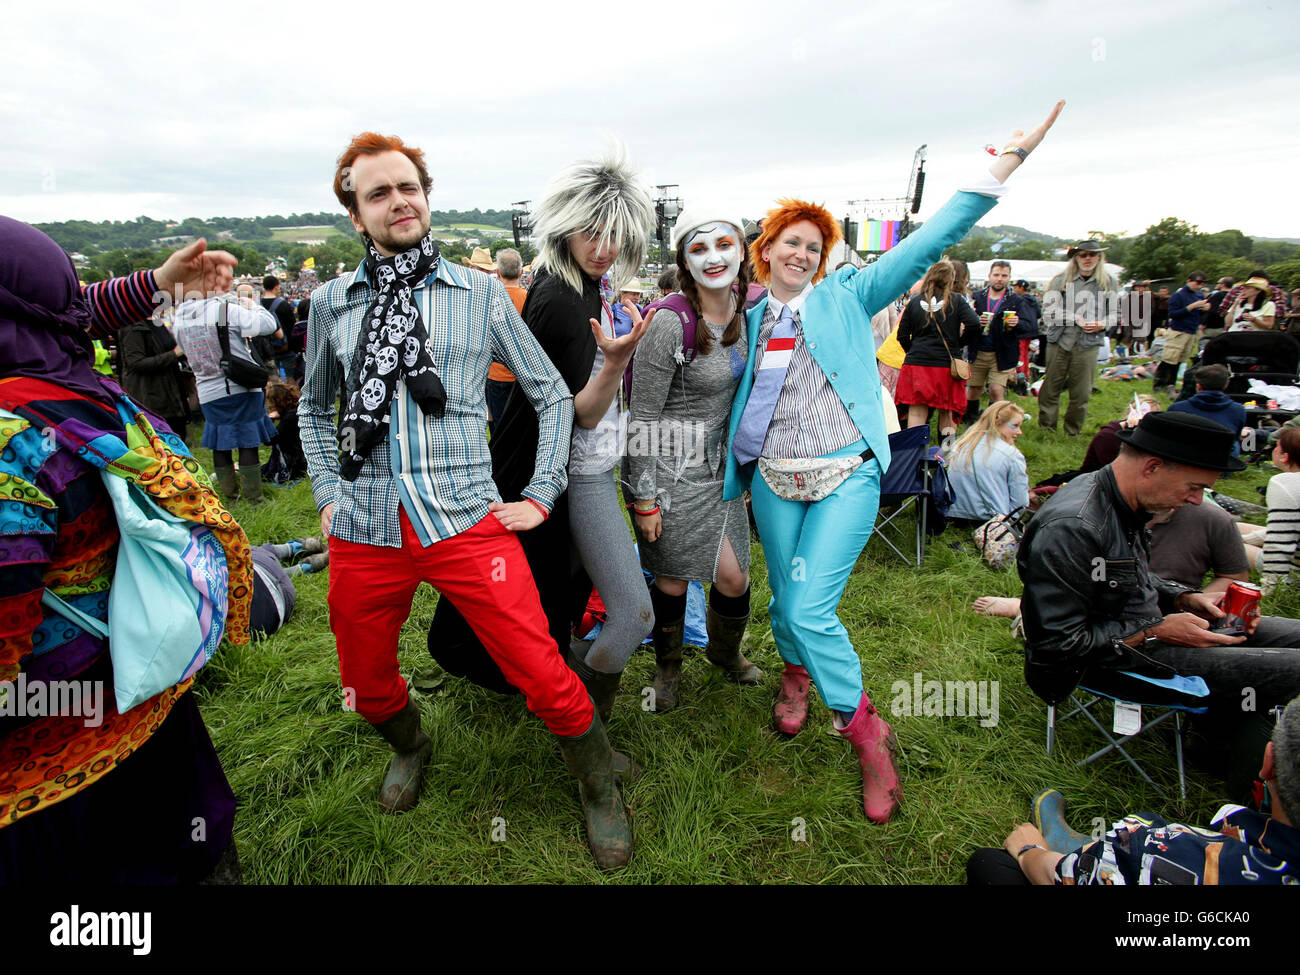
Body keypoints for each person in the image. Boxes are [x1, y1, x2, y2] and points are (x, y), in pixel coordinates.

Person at [722, 100, 1066, 823]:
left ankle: (869, 734)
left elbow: (932, 237)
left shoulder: (850, 295)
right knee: (786, 601)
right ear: (767, 248)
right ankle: (794, 676)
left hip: (844, 473)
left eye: (814, 244)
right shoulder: (749, 318)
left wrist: (1005, 161)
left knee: (812, 607)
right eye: (790, 241)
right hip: (775, 480)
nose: (802, 253)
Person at [299, 132, 631, 868]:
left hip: (464, 516)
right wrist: (327, 489)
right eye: (378, 192)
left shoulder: (478, 291)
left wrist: (543, 491)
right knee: (364, 678)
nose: (399, 201)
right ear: (356, 213)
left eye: (408, 186)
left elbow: (549, 393)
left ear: (426, 193)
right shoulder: (331, 303)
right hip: (364, 523)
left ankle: (599, 781)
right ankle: (410, 745)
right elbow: (312, 408)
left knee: (541, 666)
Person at [1, 218, 246, 883]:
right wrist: (160, 283)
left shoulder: (10, 445)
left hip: (46, 772)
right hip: (145, 692)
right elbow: (61, 310)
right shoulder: (77, 399)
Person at [426, 148, 656, 785]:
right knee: (550, 606)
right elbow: (577, 413)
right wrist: (615, 362)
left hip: (552, 474)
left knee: (541, 603)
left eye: (616, 234)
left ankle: (568, 709)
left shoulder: (582, 284)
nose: (604, 246)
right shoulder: (559, 297)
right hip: (546, 477)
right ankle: (576, 728)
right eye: (592, 231)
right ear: (564, 225)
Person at [1017, 411, 1300, 721]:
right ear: (1152, 467)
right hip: (1106, 662)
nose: (1196, 500)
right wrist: (1155, 631)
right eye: (1194, 487)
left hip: (1145, 628)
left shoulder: (1121, 495)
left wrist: (1186, 598)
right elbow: (1058, 646)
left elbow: (1118, 575)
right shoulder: (1073, 527)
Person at [625, 208, 761, 711]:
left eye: (723, 244)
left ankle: (725, 655)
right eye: (698, 248)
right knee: (673, 577)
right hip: (669, 473)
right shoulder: (670, 321)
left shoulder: (750, 314)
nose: (713, 257)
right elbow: (640, 415)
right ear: (684, 259)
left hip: (721, 471)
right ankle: (667, 670)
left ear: (741, 251)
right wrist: (644, 499)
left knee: (734, 577)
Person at [967, 693, 1300, 884]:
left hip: (1125, 862)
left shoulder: (1155, 846)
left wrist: (1029, 852)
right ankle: (1096, 851)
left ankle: (1092, 856)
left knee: (991, 864)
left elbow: (1057, 878)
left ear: (1268, 762)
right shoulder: (1239, 830)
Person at [173, 287, 281, 504]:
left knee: (219, 444)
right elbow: (269, 325)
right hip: (238, 386)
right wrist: (252, 305)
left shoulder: (179, 320)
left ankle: (231, 498)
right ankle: (255, 498)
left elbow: (183, 349)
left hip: (206, 390)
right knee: (247, 442)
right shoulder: (225, 310)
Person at [1038, 240, 1119, 435]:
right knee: (1050, 388)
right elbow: (1048, 311)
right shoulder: (1061, 280)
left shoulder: (1108, 282)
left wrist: (1103, 324)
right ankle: (1046, 430)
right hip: (1059, 341)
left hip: (1088, 344)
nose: (1087, 259)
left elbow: (1115, 314)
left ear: (1099, 257)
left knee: (1081, 393)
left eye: (1092, 255)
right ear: (1076, 257)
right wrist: (1075, 318)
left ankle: (1072, 432)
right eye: (1083, 255)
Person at [895, 259, 981, 438]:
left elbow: (902, 335)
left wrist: (914, 351)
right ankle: (945, 458)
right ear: (951, 278)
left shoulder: (915, 301)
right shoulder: (956, 300)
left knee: (916, 412)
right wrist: (959, 343)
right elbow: (974, 324)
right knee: (947, 412)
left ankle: (914, 459)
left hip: (917, 365)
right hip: (946, 366)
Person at [964, 260, 1032, 420]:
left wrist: (1018, 323)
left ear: (1009, 278)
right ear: (989, 276)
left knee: (996, 389)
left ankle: (994, 422)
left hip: (1002, 353)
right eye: (996, 275)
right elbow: (966, 321)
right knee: (973, 389)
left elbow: (1029, 325)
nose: (999, 279)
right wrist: (976, 321)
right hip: (978, 350)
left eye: (1004, 275)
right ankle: (970, 420)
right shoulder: (978, 297)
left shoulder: (1016, 300)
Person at [945, 401, 1029, 523]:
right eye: (1015, 426)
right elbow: (1020, 505)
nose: (1019, 432)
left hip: (953, 514)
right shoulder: (1012, 455)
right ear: (997, 422)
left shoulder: (960, 445)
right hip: (991, 520)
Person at [1240, 426, 1300, 592]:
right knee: (1231, 528)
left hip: (1295, 575)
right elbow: (1286, 527)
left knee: (1223, 540)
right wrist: (1247, 538)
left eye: (1276, 446)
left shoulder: (1285, 483)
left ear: (1284, 456)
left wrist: (1271, 591)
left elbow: (1278, 545)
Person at [118, 314, 191, 444]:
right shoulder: (133, 327)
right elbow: (136, 363)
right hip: (151, 396)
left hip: (172, 392)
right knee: (165, 445)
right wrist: (173, 354)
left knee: (179, 438)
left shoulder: (157, 322)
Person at [486, 247, 526, 431]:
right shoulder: (530, 299)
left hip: (496, 374)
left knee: (498, 429)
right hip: (523, 375)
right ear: (521, 271)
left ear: (498, 272)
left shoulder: (490, 299)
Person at [1168, 363, 1246, 452]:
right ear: (1226, 385)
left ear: (1198, 386)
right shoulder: (1238, 410)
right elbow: (1235, 436)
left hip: (1184, 455)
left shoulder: (1177, 408)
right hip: (1220, 458)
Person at [1152, 271, 1209, 393]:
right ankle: (1158, 383)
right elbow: (1173, 314)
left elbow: (1199, 314)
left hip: (1191, 331)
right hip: (1178, 331)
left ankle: (1170, 384)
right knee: (1169, 359)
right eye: (1198, 282)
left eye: (1202, 284)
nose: (1200, 286)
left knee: (1179, 360)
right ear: (1189, 280)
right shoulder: (1179, 295)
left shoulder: (1199, 295)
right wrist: (1191, 307)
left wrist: (1204, 309)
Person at [260, 274, 297, 376]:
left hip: (266, 349)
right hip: (285, 348)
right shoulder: (283, 304)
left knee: (272, 382)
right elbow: (292, 326)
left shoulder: (258, 305)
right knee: (291, 379)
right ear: (276, 287)